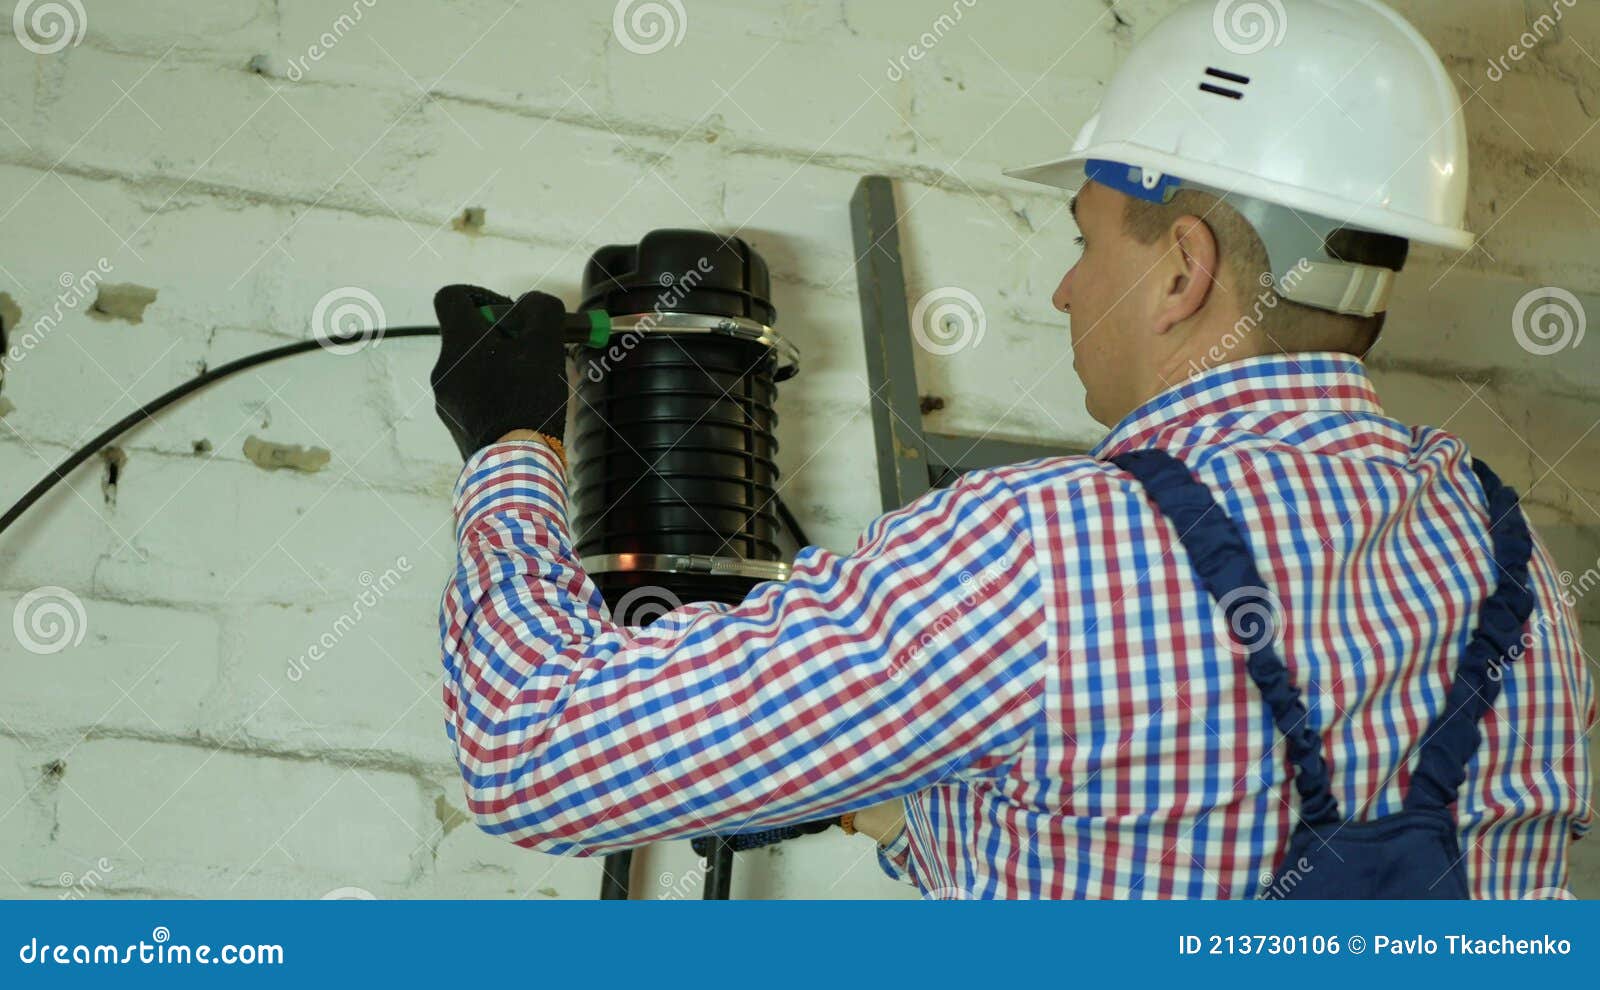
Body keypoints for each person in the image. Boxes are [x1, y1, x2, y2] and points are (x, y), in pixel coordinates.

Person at [428, 0, 1593, 898]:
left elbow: (532, 743)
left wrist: (509, 446)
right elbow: (1138, 853)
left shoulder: (1047, 554)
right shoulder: (1517, 565)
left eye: (1086, 238)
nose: (1062, 286)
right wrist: (873, 799)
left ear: (1183, 267)